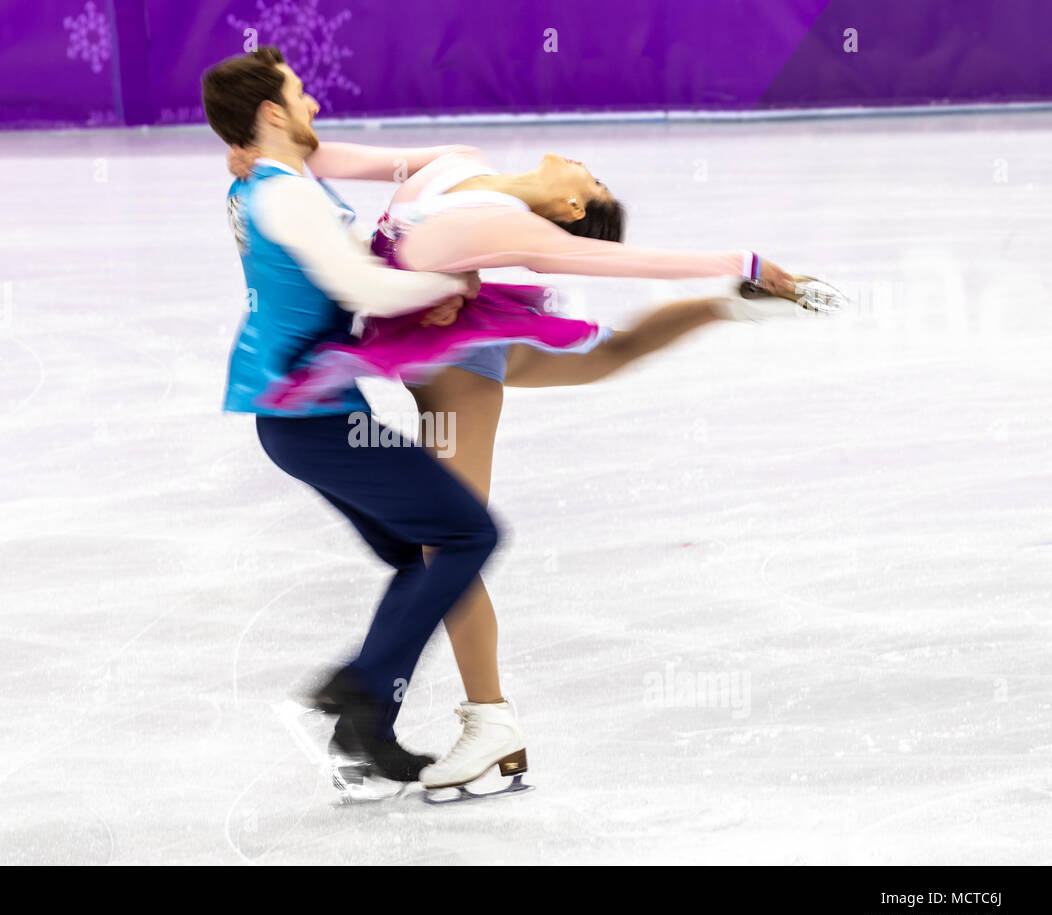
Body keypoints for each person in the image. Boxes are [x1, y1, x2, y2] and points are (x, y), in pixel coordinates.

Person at [227, 139, 795, 794]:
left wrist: (744, 261)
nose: (585, 160)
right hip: (475, 326)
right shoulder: (459, 160)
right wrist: (252, 150)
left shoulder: (509, 225)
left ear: (575, 203)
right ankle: (732, 306)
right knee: (604, 358)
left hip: (455, 363)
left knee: (449, 543)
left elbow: (625, 260)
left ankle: (489, 725)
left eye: (595, 176)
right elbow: (323, 158)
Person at [201, 47, 505, 784]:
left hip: (302, 417)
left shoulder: (262, 185)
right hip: (313, 417)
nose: (312, 103)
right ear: (272, 113)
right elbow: (354, 285)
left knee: (414, 555)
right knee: (468, 532)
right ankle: (360, 689)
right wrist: (448, 280)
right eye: (299, 94)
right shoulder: (283, 193)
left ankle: (363, 733)